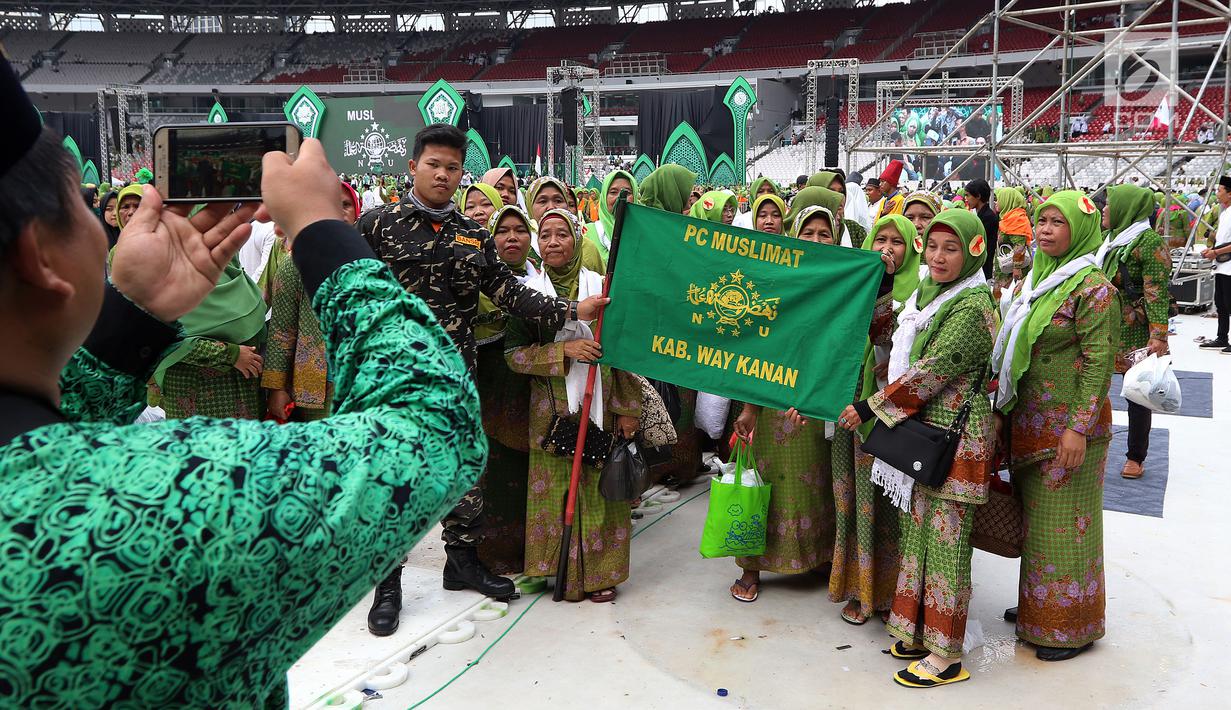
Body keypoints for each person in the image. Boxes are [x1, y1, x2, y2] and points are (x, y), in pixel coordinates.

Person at [0, 55, 485, 704]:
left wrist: (125, 328)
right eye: (83, 207)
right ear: (40, 256)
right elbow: (436, 425)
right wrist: (321, 232)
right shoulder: (178, 503)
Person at [358, 124, 608, 635]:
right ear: (413, 168)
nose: (444, 176)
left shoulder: (472, 234)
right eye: (434, 165)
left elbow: (509, 291)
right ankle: (386, 585)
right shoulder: (376, 226)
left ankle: (461, 562)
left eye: (453, 168)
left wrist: (570, 310)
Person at [838, 209, 996, 688]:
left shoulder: (973, 306)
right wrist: (881, 284)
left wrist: (869, 408)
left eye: (951, 248)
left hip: (956, 444)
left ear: (973, 251)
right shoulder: (926, 296)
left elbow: (932, 371)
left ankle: (945, 656)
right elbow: (882, 332)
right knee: (919, 538)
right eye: (932, 246)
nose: (938, 257)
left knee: (947, 547)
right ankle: (915, 631)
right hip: (923, 439)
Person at [992, 190, 1119, 662]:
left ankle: (1069, 627)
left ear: (1079, 230)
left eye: (1056, 222)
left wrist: (1077, 429)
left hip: (1068, 432)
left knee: (1066, 526)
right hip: (1029, 425)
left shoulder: (1093, 288)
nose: (1044, 230)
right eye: (1041, 221)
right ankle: (1039, 605)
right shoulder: (1039, 281)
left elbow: (1098, 363)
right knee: (1039, 524)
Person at [504, 209, 642, 602]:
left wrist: (629, 408)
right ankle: (559, 571)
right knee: (556, 494)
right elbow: (512, 355)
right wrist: (563, 351)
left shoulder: (601, 287)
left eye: (561, 234)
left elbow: (626, 351)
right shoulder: (527, 293)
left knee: (598, 492)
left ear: (577, 239)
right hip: (550, 414)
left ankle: (599, 575)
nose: (552, 242)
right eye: (544, 235)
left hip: (602, 405)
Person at [730, 192, 835, 602]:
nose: (815, 239)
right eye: (807, 231)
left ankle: (821, 557)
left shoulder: (845, 283)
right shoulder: (774, 277)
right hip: (773, 397)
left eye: (824, 234)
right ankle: (752, 567)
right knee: (765, 481)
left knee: (818, 481)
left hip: (819, 400)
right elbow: (756, 345)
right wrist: (750, 407)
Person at [829, 213, 921, 626]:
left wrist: (886, 289)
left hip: (904, 412)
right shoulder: (854, 289)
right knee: (859, 499)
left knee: (895, 504)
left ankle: (893, 594)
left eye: (897, 240)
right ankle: (860, 588)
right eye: (879, 238)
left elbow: (892, 339)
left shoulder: (926, 291)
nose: (887, 247)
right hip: (856, 405)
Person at [476, 206, 540, 575]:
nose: (512, 238)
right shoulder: (473, 284)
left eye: (520, 230)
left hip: (530, 393)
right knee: (493, 475)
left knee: (528, 473)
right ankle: (491, 556)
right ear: (490, 238)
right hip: (487, 393)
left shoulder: (540, 284)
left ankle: (533, 553)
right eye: (503, 231)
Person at [262, 181, 360, 423]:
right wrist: (276, 389)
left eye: (345, 205)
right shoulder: (295, 266)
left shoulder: (373, 262)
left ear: (357, 212)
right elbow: (281, 330)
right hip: (316, 390)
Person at [1097, 184, 1171, 479]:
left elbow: (1156, 294)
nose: (1104, 209)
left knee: (1137, 395)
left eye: (1109, 205)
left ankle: (1135, 457)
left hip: (1135, 332)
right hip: (1103, 326)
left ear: (1126, 208)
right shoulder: (1108, 240)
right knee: (1094, 388)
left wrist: (1158, 337)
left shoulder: (1149, 243)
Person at [1199, 175, 1231, 352]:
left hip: (1229, 266)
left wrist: (1216, 252)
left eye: (1220, 190)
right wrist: (1210, 251)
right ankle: (1222, 337)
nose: (1217, 194)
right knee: (1221, 302)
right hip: (1221, 266)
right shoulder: (1225, 213)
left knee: (1229, 302)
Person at [583, 170, 637, 262]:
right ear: (604, 197)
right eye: (613, 192)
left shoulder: (644, 233)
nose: (620, 197)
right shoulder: (587, 232)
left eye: (627, 193)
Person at [992, 186, 1033, 299]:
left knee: (1008, 298)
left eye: (999, 199)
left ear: (1007, 201)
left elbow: (1019, 245)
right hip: (1006, 267)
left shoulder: (1016, 219)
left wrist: (1017, 267)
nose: (996, 202)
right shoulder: (1008, 217)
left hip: (1011, 271)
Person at [964, 178, 1000, 280]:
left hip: (981, 266)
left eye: (968, 195)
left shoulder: (988, 216)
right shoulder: (978, 214)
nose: (966, 199)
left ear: (978, 196)